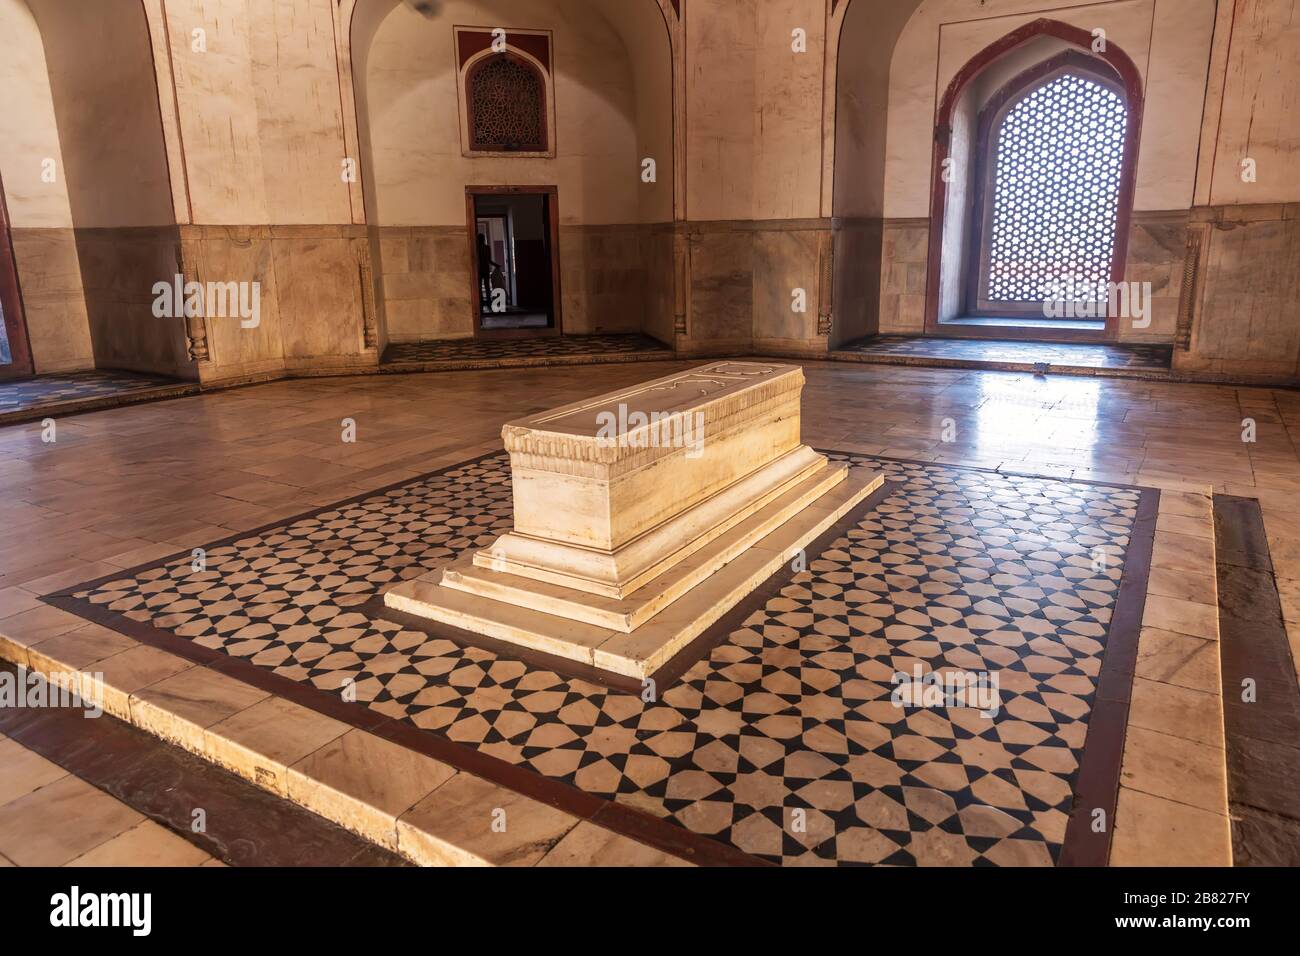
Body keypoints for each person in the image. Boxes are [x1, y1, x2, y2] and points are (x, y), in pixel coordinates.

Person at [477, 233, 499, 305]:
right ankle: (489, 302)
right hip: (486, 269)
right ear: (484, 239)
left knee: (479, 287)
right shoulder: (487, 248)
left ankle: (481, 302)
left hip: (478, 270)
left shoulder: (476, 248)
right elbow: (489, 260)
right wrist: (496, 265)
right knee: (487, 286)